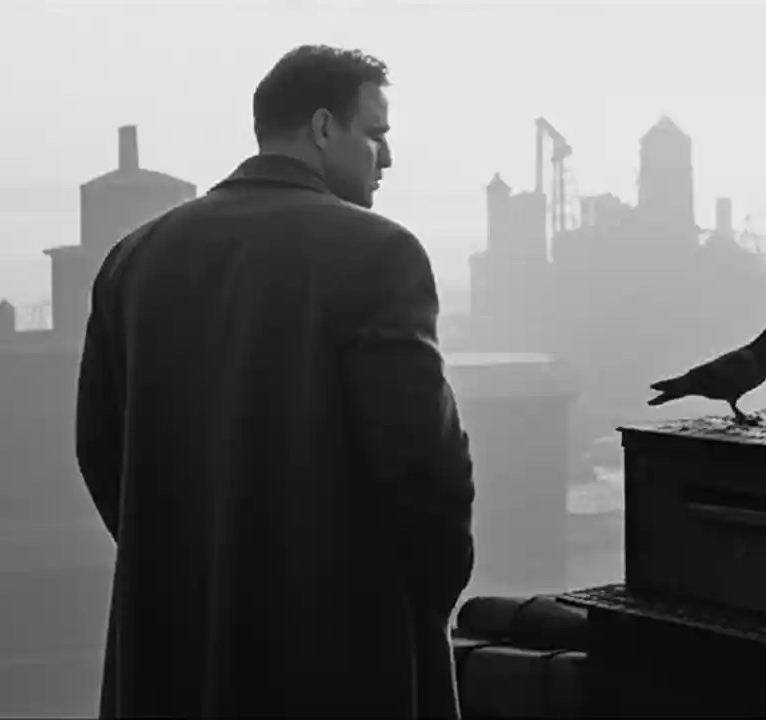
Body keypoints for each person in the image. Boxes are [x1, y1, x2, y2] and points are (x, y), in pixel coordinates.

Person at [76, 44, 476, 718]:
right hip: (335, 650)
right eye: (375, 134)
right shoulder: (379, 253)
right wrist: (428, 592)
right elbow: (422, 463)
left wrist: (182, 558)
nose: (387, 158)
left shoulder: (135, 257)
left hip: (172, 650)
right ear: (322, 128)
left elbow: (98, 448)